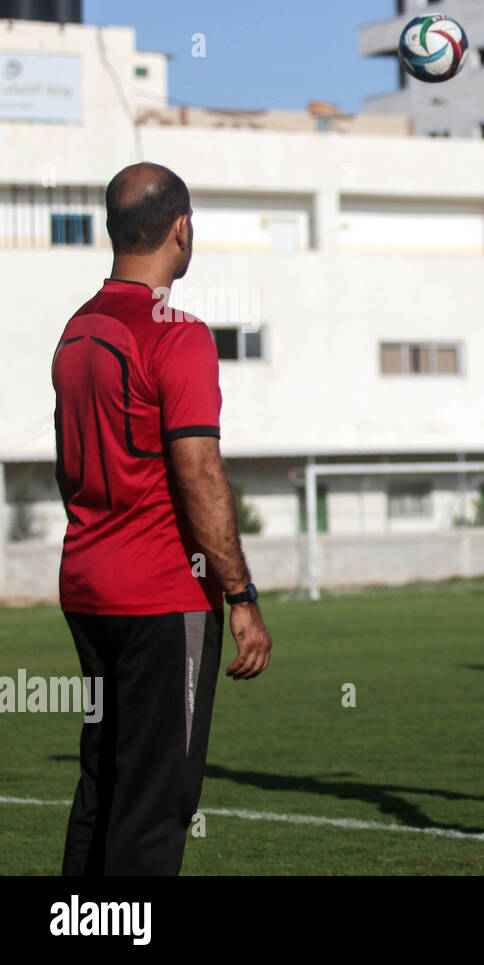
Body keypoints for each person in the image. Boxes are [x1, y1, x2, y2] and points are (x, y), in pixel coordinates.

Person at [52, 162, 273, 875]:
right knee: (154, 804)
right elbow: (199, 471)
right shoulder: (177, 333)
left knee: (103, 784)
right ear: (182, 229)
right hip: (160, 596)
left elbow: (72, 462)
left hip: (87, 586)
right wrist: (240, 594)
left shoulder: (77, 329)